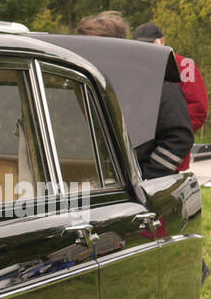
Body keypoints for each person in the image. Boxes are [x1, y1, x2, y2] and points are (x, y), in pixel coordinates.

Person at [76, 11, 193, 178]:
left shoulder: (157, 82)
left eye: (91, 49)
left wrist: (145, 176)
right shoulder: (90, 83)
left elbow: (179, 137)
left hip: (147, 190)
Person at [134, 20, 209, 142]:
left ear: (162, 41)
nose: (147, 47)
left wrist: (174, 135)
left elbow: (197, 109)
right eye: (141, 44)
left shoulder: (185, 66)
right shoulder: (131, 67)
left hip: (172, 150)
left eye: (150, 43)